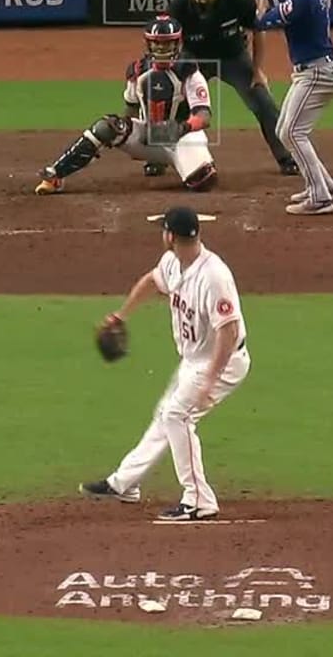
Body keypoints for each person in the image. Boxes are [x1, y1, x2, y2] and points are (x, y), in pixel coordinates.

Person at [78, 205, 250, 522]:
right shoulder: (173, 262)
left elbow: (229, 330)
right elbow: (151, 282)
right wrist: (121, 314)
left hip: (221, 361)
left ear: (170, 235)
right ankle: (124, 483)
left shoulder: (214, 276)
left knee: (177, 416)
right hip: (194, 359)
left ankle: (198, 500)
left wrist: (212, 379)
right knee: (165, 416)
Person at [34, 16, 219, 195]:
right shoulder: (138, 71)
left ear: (177, 43)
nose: (162, 48)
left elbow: (203, 115)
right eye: (157, 43)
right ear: (149, 44)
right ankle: (55, 175)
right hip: (149, 136)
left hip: (183, 138)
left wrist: (180, 128)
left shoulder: (189, 71)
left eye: (167, 43)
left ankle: (180, 161)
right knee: (106, 128)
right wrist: (124, 131)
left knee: (202, 180)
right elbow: (131, 109)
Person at [153, 0, 297, 175]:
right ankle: (158, 158)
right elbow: (171, 41)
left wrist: (257, 70)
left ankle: (286, 157)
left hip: (233, 57)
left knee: (264, 104)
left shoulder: (238, 1)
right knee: (175, 106)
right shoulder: (179, 7)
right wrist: (175, 77)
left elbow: (258, 31)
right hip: (194, 59)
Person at [254, 0, 333, 215]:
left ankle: (320, 198)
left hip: (317, 74)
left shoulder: (302, 0)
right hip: (316, 70)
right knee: (286, 130)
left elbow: (260, 21)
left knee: (293, 133)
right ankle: (325, 185)